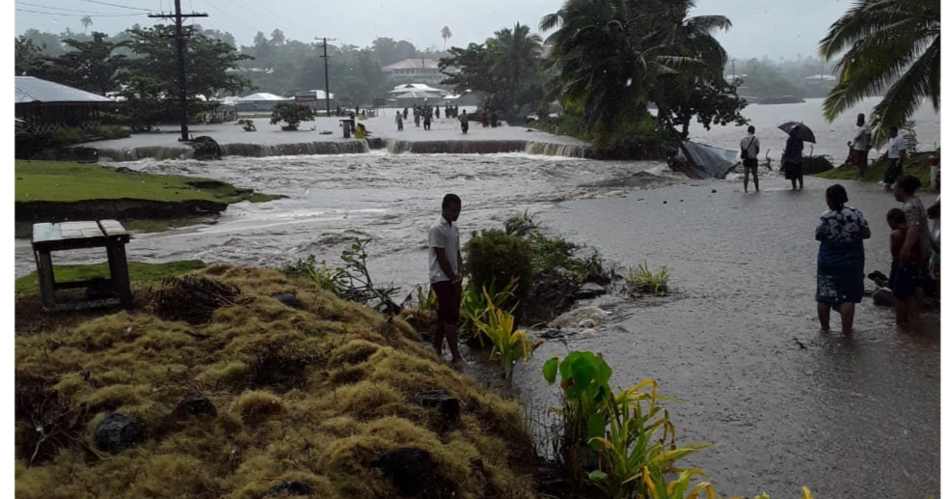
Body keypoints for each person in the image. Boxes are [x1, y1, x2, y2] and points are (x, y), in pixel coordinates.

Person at [815, 185, 871, 335]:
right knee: (848, 297)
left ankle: (825, 330)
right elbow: (866, 234)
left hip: (829, 260)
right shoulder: (855, 214)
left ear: (828, 199)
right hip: (851, 261)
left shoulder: (825, 217)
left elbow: (818, 236)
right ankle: (847, 333)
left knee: (824, 295)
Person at [429, 194, 464, 366]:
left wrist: (460, 274)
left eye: (458, 210)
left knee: (444, 314)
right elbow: (441, 257)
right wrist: (453, 279)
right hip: (440, 277)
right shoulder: (437, 228)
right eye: (453, 210)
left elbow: (457, 254)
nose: (456, 214)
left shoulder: (454, 229)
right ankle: (455, 354)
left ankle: (436, 350)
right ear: (444, 209)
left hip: (453, 277)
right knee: (451, 316)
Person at [895, 175, 936, 300]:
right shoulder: (916, 202)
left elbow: (913, 228)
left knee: (913, 285)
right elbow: (924, 227)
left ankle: (913, 313)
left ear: (902, 189)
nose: (893, 190)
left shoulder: (910, 207)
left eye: (895, 187)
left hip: (917, 251)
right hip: (924, 248)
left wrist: (906, 249)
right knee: (922, 280)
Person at [888, 209, 923, 325]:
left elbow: (894, 253)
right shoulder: (913, 232)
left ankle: (901, 323)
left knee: (900, 297)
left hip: (903, 266)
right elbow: (920, 250)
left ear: (892, 221)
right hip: (914, 266)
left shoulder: (896, 234)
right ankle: (913, 320)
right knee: (910, 293)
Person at [928, 169, 943, 297]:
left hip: (940, 239)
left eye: (939, 176)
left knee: (938, 274)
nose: (935, 179)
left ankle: (939, 300)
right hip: (938, 236)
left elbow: (929, 212)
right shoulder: (940, 197)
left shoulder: (941, 198)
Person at [884, 126, 906, 191]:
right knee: (893, 172)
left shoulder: (899, 139)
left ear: (894, 132)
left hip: (896, 158)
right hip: (891, 158)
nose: (888, 134)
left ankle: (891, 185)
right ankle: (894, 185)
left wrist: (899, 159)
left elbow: (902, 150)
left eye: (890, 132)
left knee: (893, 172)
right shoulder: (891, 140)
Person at [740, 126, 761, 193]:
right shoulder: (755, 139)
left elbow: (742, 149)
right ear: (753, 131)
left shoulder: (742, 139)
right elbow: (757, 149)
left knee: (746, 174)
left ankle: (745, 189)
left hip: (746, 159)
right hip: (753, 158)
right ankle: (757, 189)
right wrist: (754, 154)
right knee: (755, 174)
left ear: (748, 130)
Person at [853, 113, 872, 180]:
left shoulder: (866, 126)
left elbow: (868, 136)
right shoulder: (857, 124)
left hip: (863, 147)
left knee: (861, 161)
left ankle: (861, 175)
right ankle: (858, 174)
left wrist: (866, 146)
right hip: (857, 146)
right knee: (857, 162)